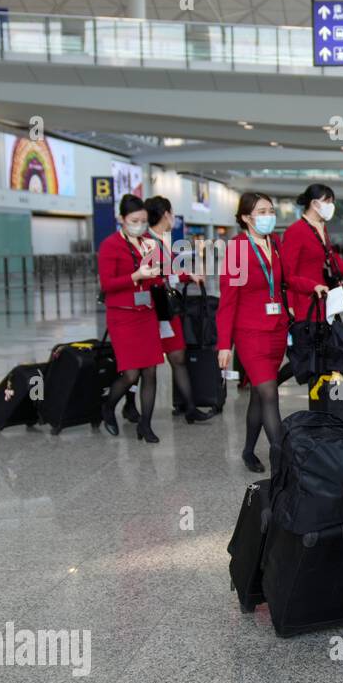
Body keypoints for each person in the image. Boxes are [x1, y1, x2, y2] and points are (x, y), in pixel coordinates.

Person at [277, 184, 343, 383]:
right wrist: (300, 295)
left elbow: (333, 260)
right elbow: (287, 274)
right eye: (328, 202)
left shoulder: (321, 228)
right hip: (304, 303)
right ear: (314, 204)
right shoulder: (296, 231)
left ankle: (320, 400)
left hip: (322, 301)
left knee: (320, 355)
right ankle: (269, 386)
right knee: (308, 358)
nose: (331, 206)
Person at [216, 192, 288, 473]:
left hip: (276, 330)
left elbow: (287, 279)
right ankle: (282, 457)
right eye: (262, 211)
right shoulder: (236, 249)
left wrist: (314, 286)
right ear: (246, 217)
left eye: (271, 210)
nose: (269, 215)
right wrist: (224, 345)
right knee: (269, 392)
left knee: (260, 394)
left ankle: (247, 451)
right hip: (250, 334)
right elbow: (227, 301)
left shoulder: (275, 243)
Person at [97, 195, 168, 442]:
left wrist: (159, 274)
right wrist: (135, 275)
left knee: (151, 371)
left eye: (143, 221)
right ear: (121, 219)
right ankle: (108, 406)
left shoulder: (149, 242)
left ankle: (145, 425)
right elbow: (107, 284)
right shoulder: (110, 245)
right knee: (131, 374)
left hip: (146, 313)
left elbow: (157, 278)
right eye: (134, 220)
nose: (140, 225)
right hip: (123, 316)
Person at [142, 195, 216, 423]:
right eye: (172, 213)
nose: (173, 217)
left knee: (178, 355)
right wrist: (185, 275)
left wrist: (187, 276)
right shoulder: (146, 241)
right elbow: (159, 272)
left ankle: (190, 407)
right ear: (166, 214)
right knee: (143, 365)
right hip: (151, 309)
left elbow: (169, 271)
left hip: (168, 308)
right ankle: (129, 406)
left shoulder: (163, 240)